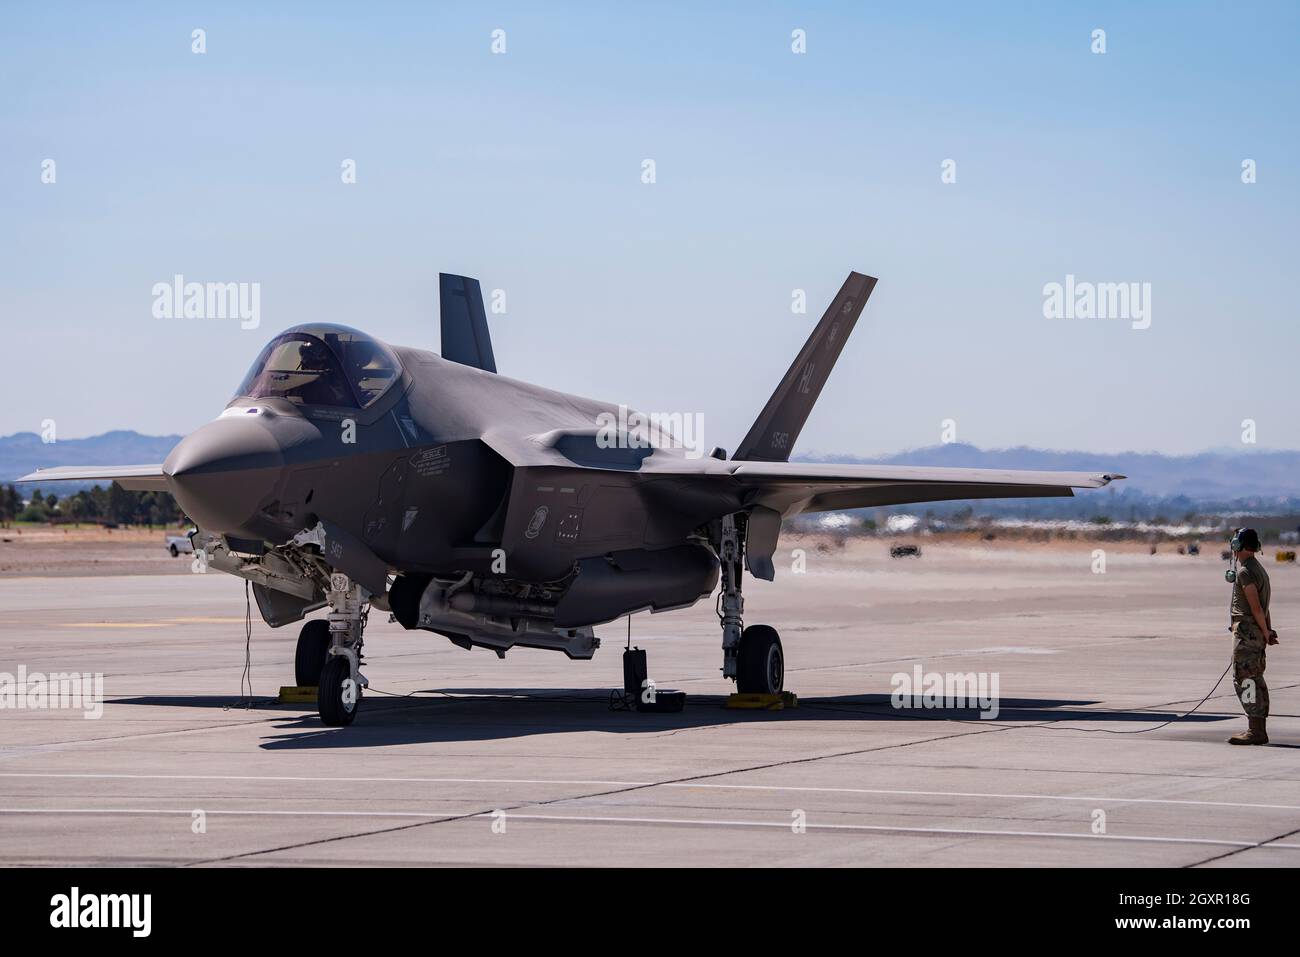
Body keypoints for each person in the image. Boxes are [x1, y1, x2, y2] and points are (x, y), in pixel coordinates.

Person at [1227, 528, 1277, 745]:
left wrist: (1265, 630)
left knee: (1245, 679)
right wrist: (1267, 630)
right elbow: (1264, 609)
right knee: (1255, 678)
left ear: (1238, 545)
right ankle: (1258, 727)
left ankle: (1254, 729)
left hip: (1247, 632)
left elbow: (1256, 607)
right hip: (1254, 631)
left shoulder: (1245, 572)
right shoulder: (1258, 569)